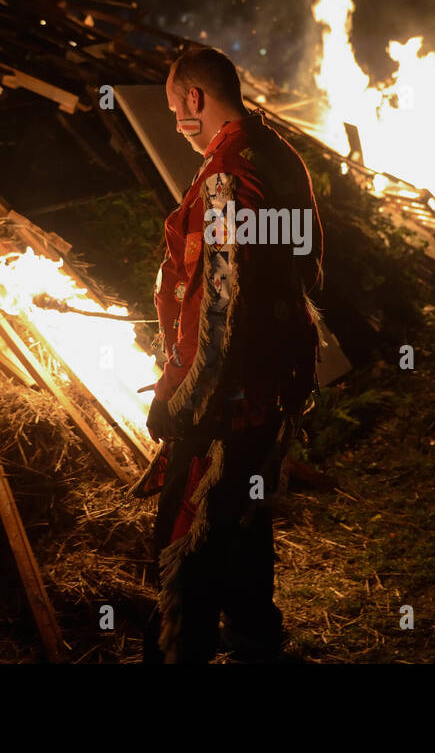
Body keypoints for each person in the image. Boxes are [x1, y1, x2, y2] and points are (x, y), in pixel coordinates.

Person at [132, 46, 324, 663]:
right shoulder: (280, 152)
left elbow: (219, 302)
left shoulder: (227, 174)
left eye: (175, 109)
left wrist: (178, 394)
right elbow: (308, 265)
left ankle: (177, 651)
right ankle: (252, 637)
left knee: (190, 529)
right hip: (278, 375)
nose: (177, 125)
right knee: (243, 507)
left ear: (194, 99)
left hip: (229, 391)